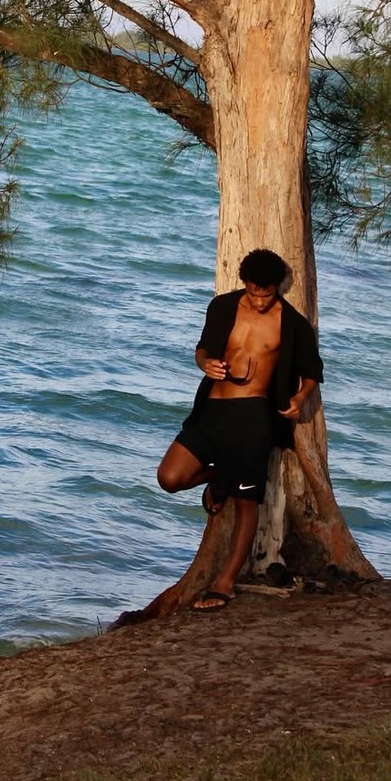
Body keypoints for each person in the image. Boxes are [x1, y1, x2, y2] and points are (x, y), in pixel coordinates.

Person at [156, 248, 324, 612]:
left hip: (254, 417)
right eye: (254, 291)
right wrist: (206, 364)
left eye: (267, 292)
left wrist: (300, 397)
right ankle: (219, 479)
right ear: (244, 283)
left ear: (277, 287)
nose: (260, 300)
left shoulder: (291, 323)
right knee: (169, 477)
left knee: (248, 502)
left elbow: (313, 369)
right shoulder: (223, 306)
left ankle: (226, 581)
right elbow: (201, 349)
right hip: (211, 410)